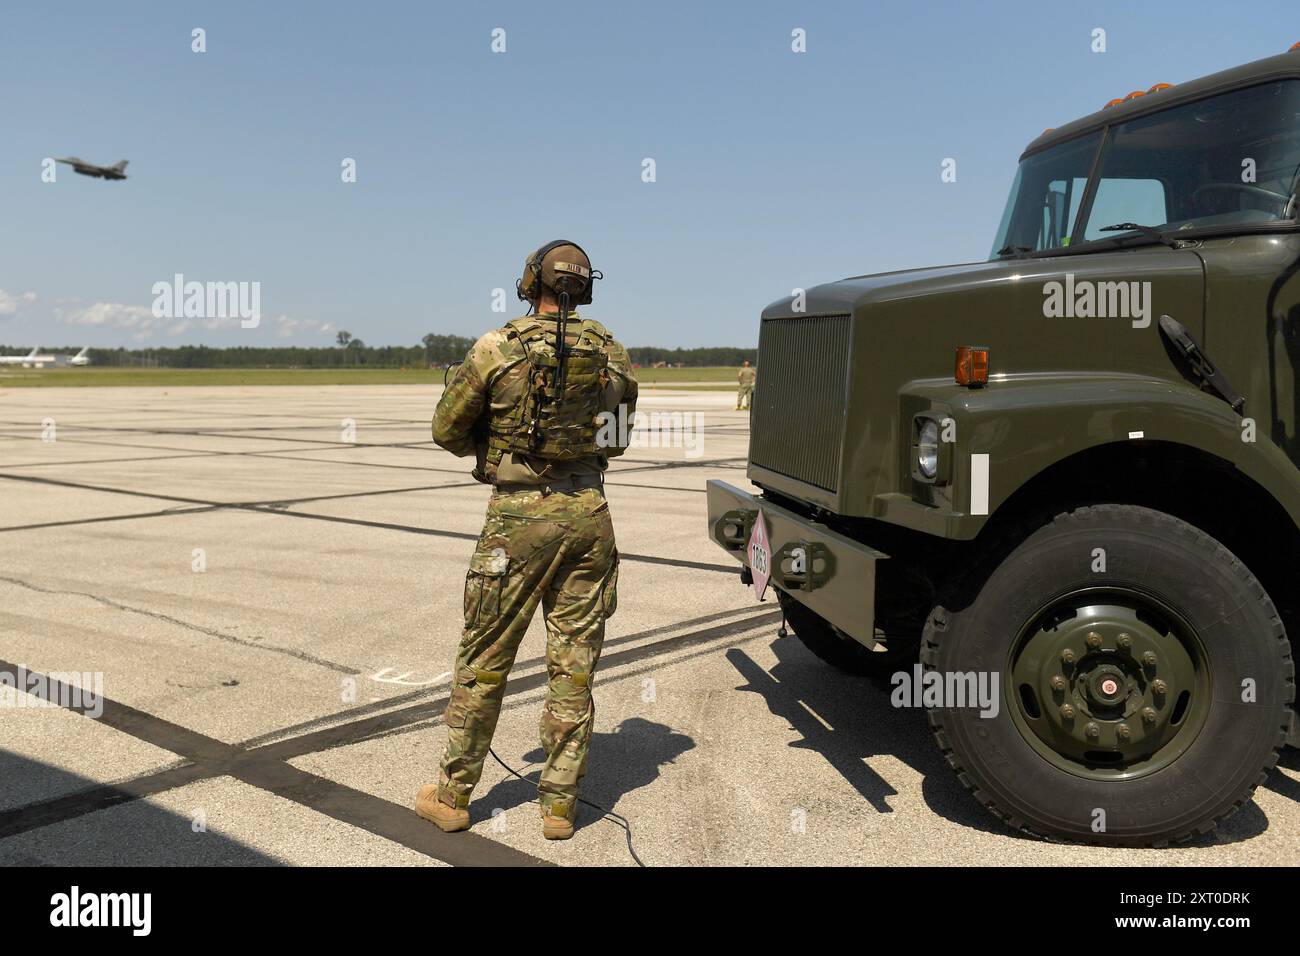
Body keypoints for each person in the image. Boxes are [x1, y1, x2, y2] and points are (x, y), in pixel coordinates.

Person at [415, 240, 637, 840]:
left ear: (529, 281)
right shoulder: (612, 352)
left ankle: (454, 795)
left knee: (484, 658)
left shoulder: (497, 346)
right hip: (590, 514)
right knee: (574, 665)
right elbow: (615, 441)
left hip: (516, 519)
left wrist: (496, 445)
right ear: (585, 287)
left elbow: (445, 430)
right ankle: (559, 807)